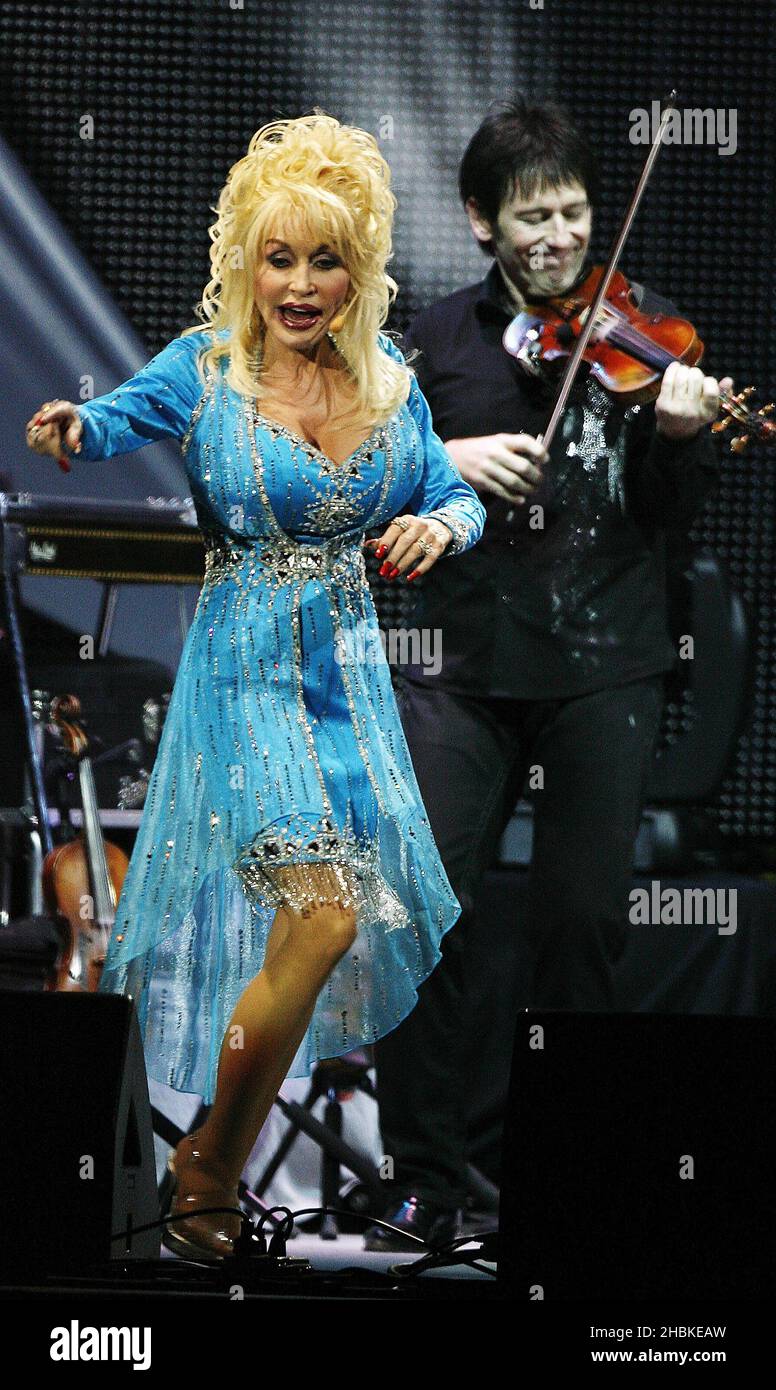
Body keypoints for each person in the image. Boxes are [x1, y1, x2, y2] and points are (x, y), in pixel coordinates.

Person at [25, 110, 486, 1260]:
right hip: (242, 675)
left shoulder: (389, 386)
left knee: (312, 938)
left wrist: (440, 522)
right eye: (277, 256)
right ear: (245, 259)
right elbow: (112, 417)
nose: (298, 282)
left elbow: (459, 495)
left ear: (357, 268)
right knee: (326, 913)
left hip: (346, 690)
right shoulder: (208, 367)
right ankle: (206, 1167)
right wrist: (76, 424)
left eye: (323, 258)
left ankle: (204, 1170)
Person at [366, 97, 729, 1251]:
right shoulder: (431, 341)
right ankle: (422, 1177)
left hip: (603, 666)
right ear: (482, 222)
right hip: (459, 668)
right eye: (532, 217)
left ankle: (568, 1181)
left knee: (580, 926)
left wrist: (678, 440)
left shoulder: (647, 332)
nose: (559, 236)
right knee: (418, 916)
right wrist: (442, 459)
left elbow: (676, 519)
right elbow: (365, 494)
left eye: (573, 212)